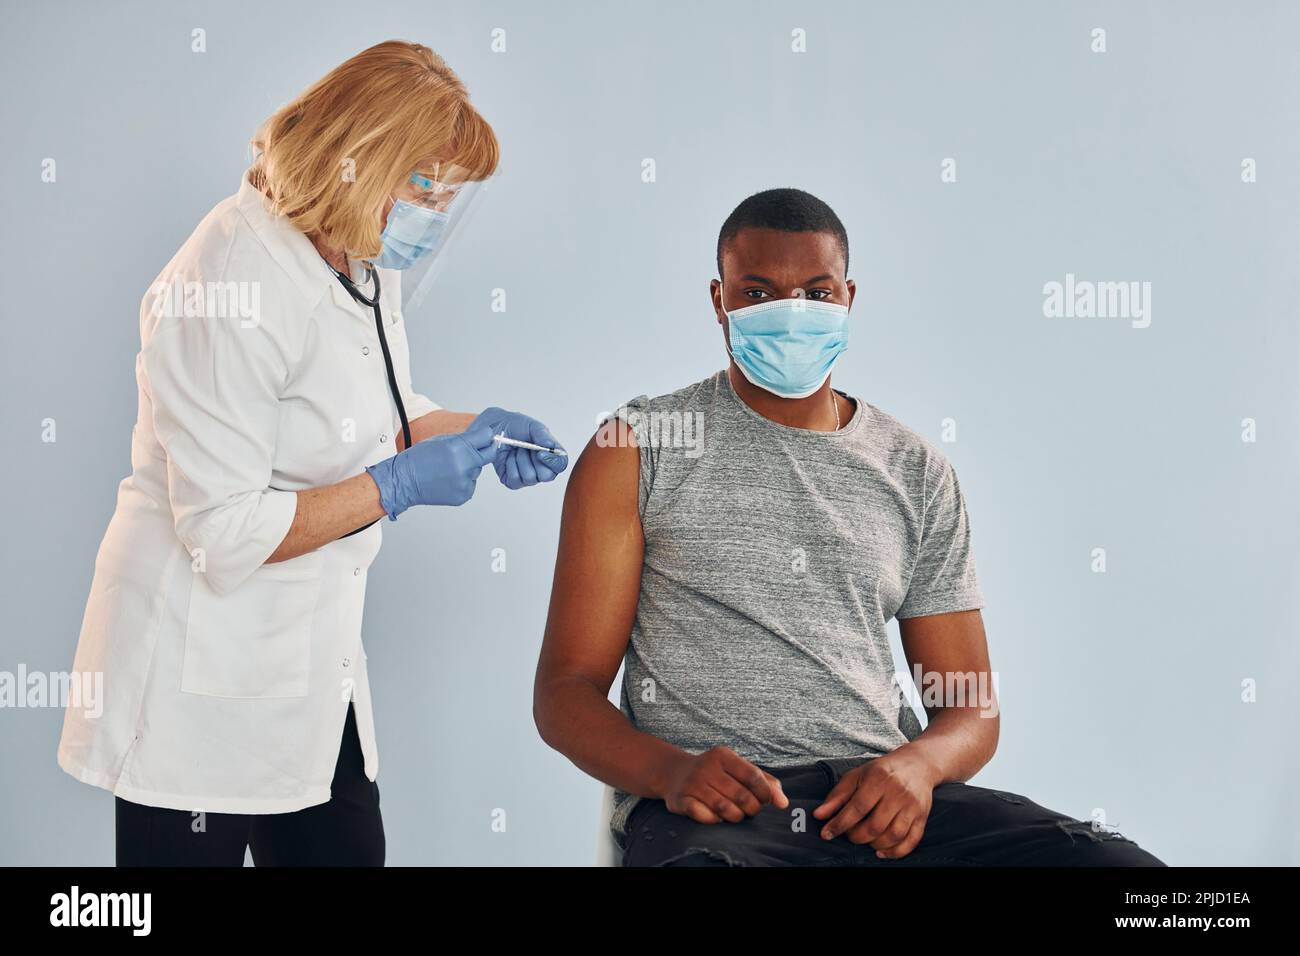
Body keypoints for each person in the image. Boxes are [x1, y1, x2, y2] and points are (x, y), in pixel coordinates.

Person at [533, 188, 1163, 867]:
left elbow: (970, 705)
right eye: (758, 293)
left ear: (849, 297)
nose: (792, 314)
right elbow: (565, 692)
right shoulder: (638, 447)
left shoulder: (914, 468)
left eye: (816, 291)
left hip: (881, 804)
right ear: (719, 301)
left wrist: (918, 768)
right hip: (727, 820)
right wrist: (671, 773)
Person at [58, 40, 566, 866]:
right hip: (196, 676)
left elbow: (366, 417)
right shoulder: (226, 282)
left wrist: (473, 431)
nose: (433, 211)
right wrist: (395, 485)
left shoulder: (354, 251)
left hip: (306, 672)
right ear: (355, 161)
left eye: (444, 192)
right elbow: (224, 532)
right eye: (424, 184)